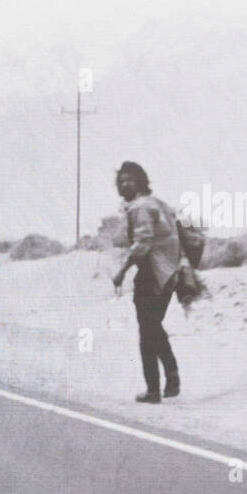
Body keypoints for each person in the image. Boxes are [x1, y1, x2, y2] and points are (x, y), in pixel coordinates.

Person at [111, 161, 181, 403]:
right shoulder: (158, 204)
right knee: (153, 325)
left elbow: (143, 242)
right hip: (171, 272)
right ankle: (171, 375)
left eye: (129, 179)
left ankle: (154, 389)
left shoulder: (139, 208)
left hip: (153, 272)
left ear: (140, 181)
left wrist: (122, 270)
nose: (124, 184)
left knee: (147, 329)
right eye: (121, 181)